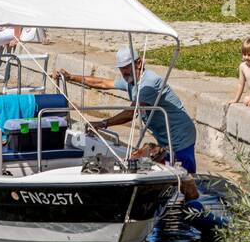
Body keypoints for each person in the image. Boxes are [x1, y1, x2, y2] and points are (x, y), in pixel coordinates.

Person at [58, 47, 199, 175]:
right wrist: (71, 77)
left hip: (180, 137)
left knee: (184, 177)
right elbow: (103, 83)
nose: (124, 72)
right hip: (164, 138)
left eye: (127, 67)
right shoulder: (131, 80)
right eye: (121, 69)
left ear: (139, 64)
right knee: (163, 171)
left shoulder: (149, 83)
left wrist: (103, 123)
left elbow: (131, 113)